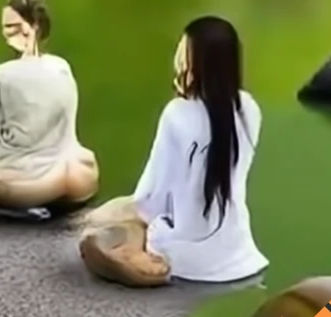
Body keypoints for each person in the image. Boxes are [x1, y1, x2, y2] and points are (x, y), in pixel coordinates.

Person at [78, 16, 268, 286]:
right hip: (239, 253)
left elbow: (150, 200)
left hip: (186, 257)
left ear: (192, 60)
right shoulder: (250, 109)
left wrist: (111, 214)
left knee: (106, 226)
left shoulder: (178, 113)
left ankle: (129, 256)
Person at [0, 0, 99, 210]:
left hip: (23, 183)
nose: (6, 32)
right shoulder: (62, 67)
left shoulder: (2, 73)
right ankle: (60, 184)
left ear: (32, 27)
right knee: (84, 158)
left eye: (11, 25)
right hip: (74, 175)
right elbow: (69, 129)